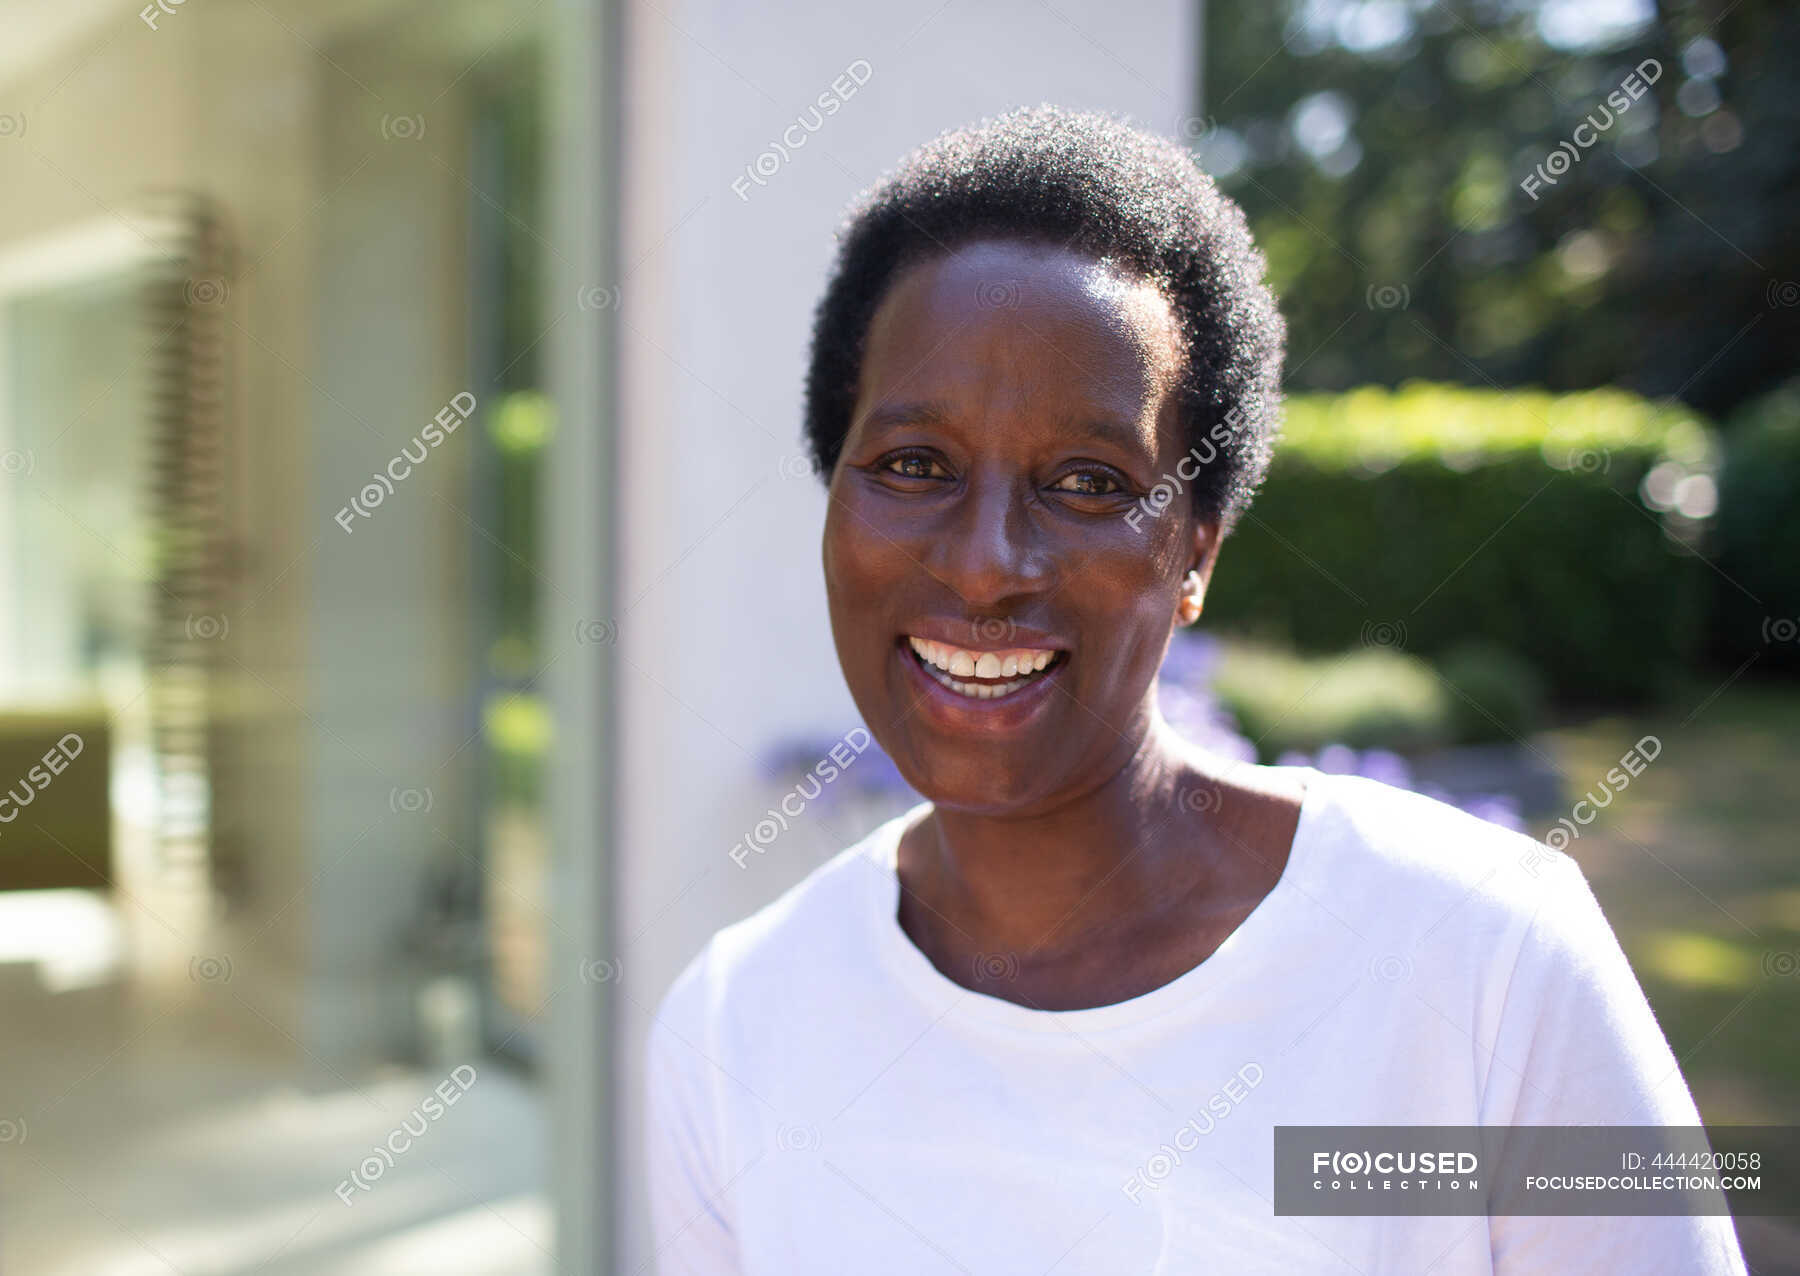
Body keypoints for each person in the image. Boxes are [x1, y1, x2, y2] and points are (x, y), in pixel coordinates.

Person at [645, 105, 1746, 1274]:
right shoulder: (735, 1029)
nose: (982, 564)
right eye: (914, 465)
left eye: (1086, 480)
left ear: (1196, 557)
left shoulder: (1481, 953)